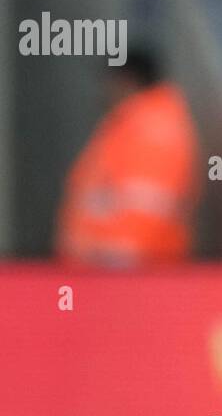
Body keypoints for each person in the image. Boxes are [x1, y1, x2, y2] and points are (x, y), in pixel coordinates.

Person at [55, 48, 200, 266]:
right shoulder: (131, 126)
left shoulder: (153, 130)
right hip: (111, 271)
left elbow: (146, 206)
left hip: (131, 274)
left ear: (126, 80)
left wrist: (120, 266)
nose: (104, 91)